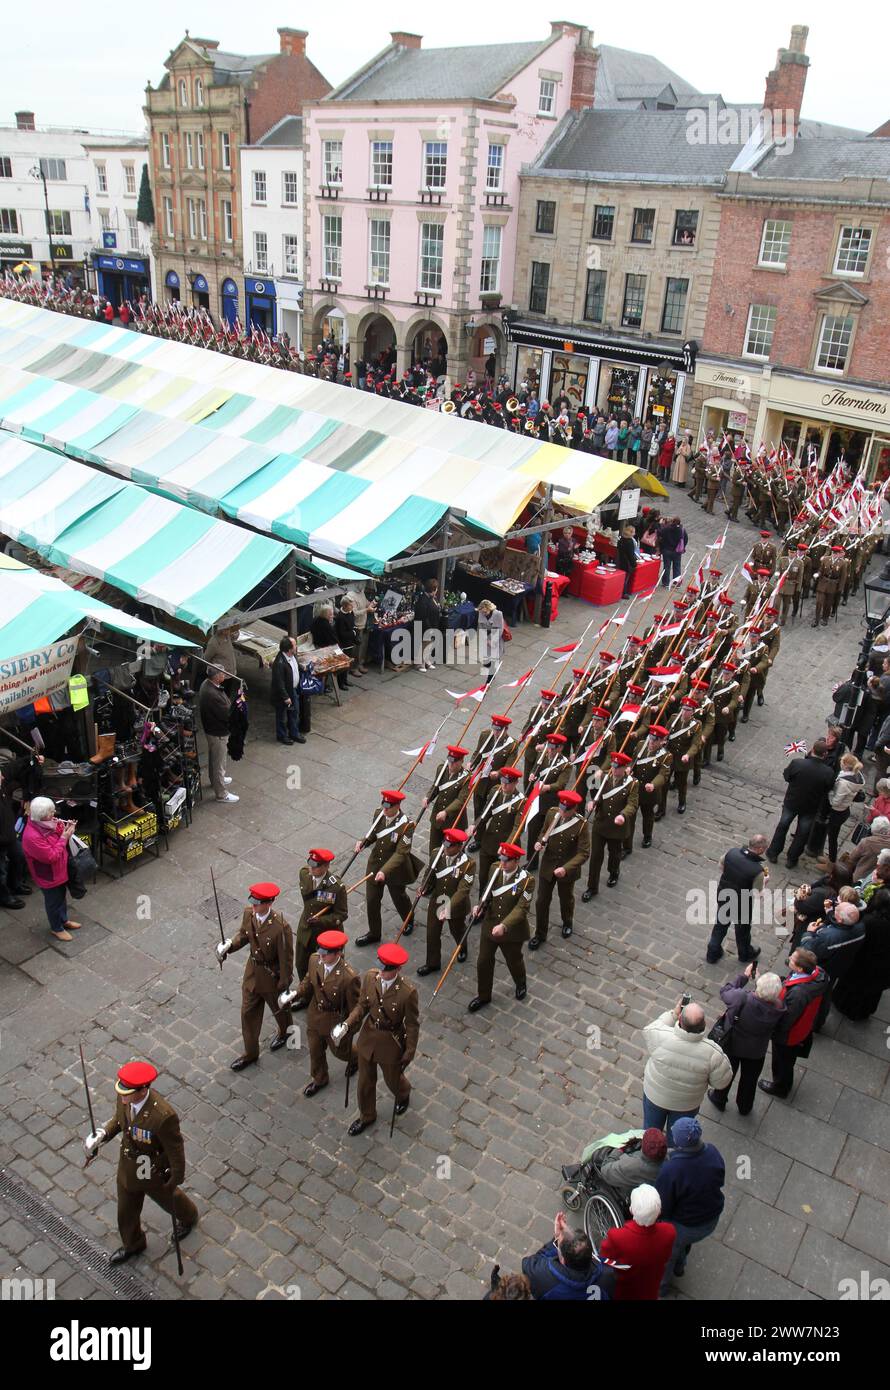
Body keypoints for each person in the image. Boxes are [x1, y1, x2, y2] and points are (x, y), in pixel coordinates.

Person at [83, 1060, 198, 1267]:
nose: (123, 1097)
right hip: (128, 1163)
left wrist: (176, 1177)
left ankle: (188, 1215)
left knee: (166, 1197)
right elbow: (120, 1121)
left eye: (128, 1093)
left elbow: (175, 1149)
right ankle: (133, 1243)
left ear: (143, 1089)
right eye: (122, 1092)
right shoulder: (125, 1099)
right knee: (125, 1210)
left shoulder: (162, 1116)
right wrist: (103, 1134)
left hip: (148, 1165)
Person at [333, 942, 419, 1136]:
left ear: (397, 969)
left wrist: (409, 1051)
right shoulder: (371, 978)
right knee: (364, 1081)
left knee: (392, 1080)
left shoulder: (407, 992)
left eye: (386, 969)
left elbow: (413, 1024)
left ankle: (403, 1094)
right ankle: (367, 1115)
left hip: (390, 1041)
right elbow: (362, 1006)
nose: (381, 972)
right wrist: (347, 1024)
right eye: (380, 966)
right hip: (369, 1036)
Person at [217, 882, 294, 1071]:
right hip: (252, 974)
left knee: (280, 1009)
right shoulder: (249, 914)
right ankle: (250, 1053)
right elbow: (244, 935)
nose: (253, 906)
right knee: (247, 1013)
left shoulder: (280, 927)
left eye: (257, 903)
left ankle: (285, 1032)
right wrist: (230, 945)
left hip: (271, 978)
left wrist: (284, 983)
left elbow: (286, 958)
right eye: (252, 902)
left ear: (269, 903)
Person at [280, 929, 360, 1097]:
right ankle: (320, 1078)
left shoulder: (348, 977)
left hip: (334, 1020)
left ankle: (356, 1058)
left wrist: (347, 1027)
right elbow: (309, 981)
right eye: (320, 951)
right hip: (315, 1015)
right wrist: (295, 994)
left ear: (338, 953)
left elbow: (356, 1008)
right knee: (315, 1051)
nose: (321, 955)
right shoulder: (315, 960)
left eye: (326, 953)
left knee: (341, 1052)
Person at [642, 996, 733, 1132]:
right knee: (678, 1140)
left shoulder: (661, 1036)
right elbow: (721, 1083)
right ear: (704, 1024)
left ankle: (650, 1151)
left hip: (655, 1096)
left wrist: (673, 1013)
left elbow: (649, 1029)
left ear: (680, 1020)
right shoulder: (713, 1053)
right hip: (686, 1105)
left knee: (650, 1132)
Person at [655, 1117, 725, 1294]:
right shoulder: (713, 1152)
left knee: (667, 1255)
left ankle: (662, 1287)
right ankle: (681, 1265)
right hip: (712, 1217)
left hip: (688, 1225)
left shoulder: (672, 1170)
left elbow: (664, 1206)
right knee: (683, 1244)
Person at [707, 964, 785, 1114]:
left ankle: (719, 1098)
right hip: (757, 1050)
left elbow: (725, 991)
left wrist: (744, 976)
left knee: (727, 1073)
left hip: (733, 1044)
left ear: (758, 988)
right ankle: (744, 1106)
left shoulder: (741, 998)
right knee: (749, 1081)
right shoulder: (778, 1009)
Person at [467, 841, 534, 1011]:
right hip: (490, 925)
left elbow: (521, 908)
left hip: (511, 931)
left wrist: (504, 925)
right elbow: (489, 892)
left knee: (514, 960)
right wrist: (479, 906)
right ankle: (483, 996)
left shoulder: (527, 881)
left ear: (516, 861)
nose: (502, 864)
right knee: (483, 962)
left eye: (507, 861)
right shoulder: (495, 869)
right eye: (501, 859)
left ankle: (521, 983)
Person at [758, 948, 829, 1099]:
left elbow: (787, 1020)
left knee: (782, 1061)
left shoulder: (798, 994)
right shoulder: (818, 974)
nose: (789, 958)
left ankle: (780, 1087)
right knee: (788, 1060)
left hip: (788, 1036)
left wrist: (774, 1032)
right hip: (802, 1027)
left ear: (800, 968)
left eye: (792, 959)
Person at [354, 789, 422, 946]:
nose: (385, 809)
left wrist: (384, 871)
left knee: (399, 897)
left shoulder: (407, 826)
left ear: (397, 806)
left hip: (395, 870)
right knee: (372, 900)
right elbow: (373, 834)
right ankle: (374, 933)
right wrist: (363, 842)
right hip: (375, 864)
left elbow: (401, 853)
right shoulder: (379, 813)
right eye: (383, 805)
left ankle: (408, 920)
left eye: (388, 806)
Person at [766, 739, 835, 869]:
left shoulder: (797, 763)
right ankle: (792, 858)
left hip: (792, 801)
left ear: (812, 750)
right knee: (802, 833)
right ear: (825, 754)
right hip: (811, 806)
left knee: (783, 825)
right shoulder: (828, 772)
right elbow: (828, 789)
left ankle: (773, 852)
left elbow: (787, 776)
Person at [599, 1184, 676, 1300]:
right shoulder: (669, 1231)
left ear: (631, 1210)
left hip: (626, 1288)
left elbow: (604, 1260)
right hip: (652, 1284)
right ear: (659, 1212)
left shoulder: (617, 1237)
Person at [21, 796, 80, 940]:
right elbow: (50, 856)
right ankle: (56, 928)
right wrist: (64, 837)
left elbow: (57, 833)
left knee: (61, 898)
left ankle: (64, 920)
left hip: (59, 870)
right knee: (53, 902)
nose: (54, 814)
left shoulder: (46, 822)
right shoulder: (31, 836)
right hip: (48, 875)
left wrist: (65, 828)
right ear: (41, 816)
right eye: (51, 812)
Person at [705, 833, 769, 965]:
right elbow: (757, 893)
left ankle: (712, 952)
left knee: (720, 924)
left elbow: (721, 866)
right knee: (742, 929)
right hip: (742, 904)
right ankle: (745, 953)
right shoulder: (757, 870)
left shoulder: (732, 852)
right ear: (761, 850)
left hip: (724, 894)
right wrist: (765, 882)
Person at [521, 1211, 611, 1300]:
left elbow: (527, 1264)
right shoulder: (608, 1275)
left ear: (563, 1260)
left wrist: (556, 1239)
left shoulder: (541, 1274)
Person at [832, 887, 890, 1020]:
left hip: (864, 962)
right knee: (869, 992)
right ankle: (862, 1012)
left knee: (854, 988)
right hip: (883, 967)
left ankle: (845, 1006)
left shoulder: (871, 921)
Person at [294, 848, 347, 986]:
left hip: (325, 933)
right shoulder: (304, 874)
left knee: (323, 968)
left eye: (316, 866)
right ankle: (305, 995)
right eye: (310, 863)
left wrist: (321, 920)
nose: (311, 868)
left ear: (326, 866)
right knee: (301, 964)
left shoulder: (336, 888)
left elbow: (341, 915)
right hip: (305, 929)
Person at [198, 665, 238, 803]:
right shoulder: (213, 694)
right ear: (216, 676)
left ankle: (215, 779)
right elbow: (227, 715)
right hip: (217, 732)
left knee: (214, 758)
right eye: (222, 673)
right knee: (219, 762)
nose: (225, 675)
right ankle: (221, 793)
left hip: (212, 730)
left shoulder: (207, 684)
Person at [0, 763, 31, 908]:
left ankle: (15, 884)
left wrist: (32, 758)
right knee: (1, 871)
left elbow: (14, 768)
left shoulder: (3, 786)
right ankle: (5, 897)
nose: (2, 776)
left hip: (9, 836)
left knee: (19, 857)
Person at [825, 753, 865, 861]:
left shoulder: (844, 783)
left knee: (832, 837)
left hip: (837, 812)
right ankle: (831, 859)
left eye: (842, 762)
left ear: (846, 766)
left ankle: (831, 862)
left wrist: (829, 794)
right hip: (844, 809)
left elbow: (836, 802)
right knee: (832, 835)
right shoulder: (856, 775)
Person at [270, 635, 307, 746]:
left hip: (293, 691)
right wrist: (286, 697)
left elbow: (294, 666)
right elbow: (279, 682)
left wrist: (302, 667)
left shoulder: (292, 655)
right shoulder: (279, 663)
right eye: (295, 645)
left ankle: (294, 733)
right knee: (281, 716)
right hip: (283, 695)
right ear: (290, 649)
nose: (296, 646)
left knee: (294, 713)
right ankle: (282, 736)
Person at [311, 601, 349, 690]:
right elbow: (332, 641)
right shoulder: (325, 625)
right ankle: (325, 686)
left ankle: (327, 684)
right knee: (342, 663)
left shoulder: (316, 620)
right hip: (324, 649)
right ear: (326, 615)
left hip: (318, 647)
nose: (332, 616)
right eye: (331, 615)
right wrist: (339, 651)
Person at [843, 814, 890, 879]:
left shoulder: (866, 842)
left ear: (873, 829)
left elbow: (852, 857)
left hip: (861, 877)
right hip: (880, 879)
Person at [345, 583, 376, 674]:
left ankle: (360, 664)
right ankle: (353, 668)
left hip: (364, 623)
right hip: (356, 625)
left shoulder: (362, 591)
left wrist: (371, 604)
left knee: (363, 646)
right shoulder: (350, 595)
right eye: (362, 583)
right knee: (356, 648)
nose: (364, 586)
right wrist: (367, 610)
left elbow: (366, 602)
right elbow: (353, 613)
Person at [414, 577, 442, 671]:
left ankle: (427, 661)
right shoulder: (423, 600)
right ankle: (420, 664)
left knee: (429, 645)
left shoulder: (432, 598)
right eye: (436, 589)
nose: (437, 591)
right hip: (426, 627)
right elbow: (423, 617)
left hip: (433, 625)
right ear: (433, 590)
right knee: (424, 645)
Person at [476, 598, 505, 683]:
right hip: (486, 639)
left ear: (490, 609)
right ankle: (491, 668)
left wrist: (491, 641)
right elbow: (480, 627)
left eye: (485, 612)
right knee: (486, 660)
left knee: (494, 659)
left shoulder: (498, 614)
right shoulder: (481, 613)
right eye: (482, 612)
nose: (484, 614)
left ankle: (489, 681)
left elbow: (500, 629)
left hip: (496, 640)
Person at [657, 516, 687, 588]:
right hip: (677, 551)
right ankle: (677, 583)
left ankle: (666, 583)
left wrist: (660, 524)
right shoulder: (682, 530)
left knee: (666, 567)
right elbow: (685, 539)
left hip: (666, 550)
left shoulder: (666, 529)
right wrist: (682, 547)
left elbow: (659, 533)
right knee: (677, 567)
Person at [334, 598, 360, 678]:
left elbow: (352, 624)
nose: (352, 606)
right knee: (343, 664)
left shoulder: (350, 612)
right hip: (343, 645)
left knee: (348, 663)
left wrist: (355, 628)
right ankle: (341, 682)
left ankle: (345, 680)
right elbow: (342, 634)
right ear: (345, 606)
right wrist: (354, 633)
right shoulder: (340, 617)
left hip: (350, 643)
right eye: (350, 605)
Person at [616, 525, 638, 599]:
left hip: (620, 561)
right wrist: (634, 564)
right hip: (627, 563)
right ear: (631, 532)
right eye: (634, 532)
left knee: (621, 577)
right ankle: (623, 593)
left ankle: (618, 592)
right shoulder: (630, 541)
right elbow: (630, 555)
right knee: (625, 579)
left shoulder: (621, 539)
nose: (634, 534)